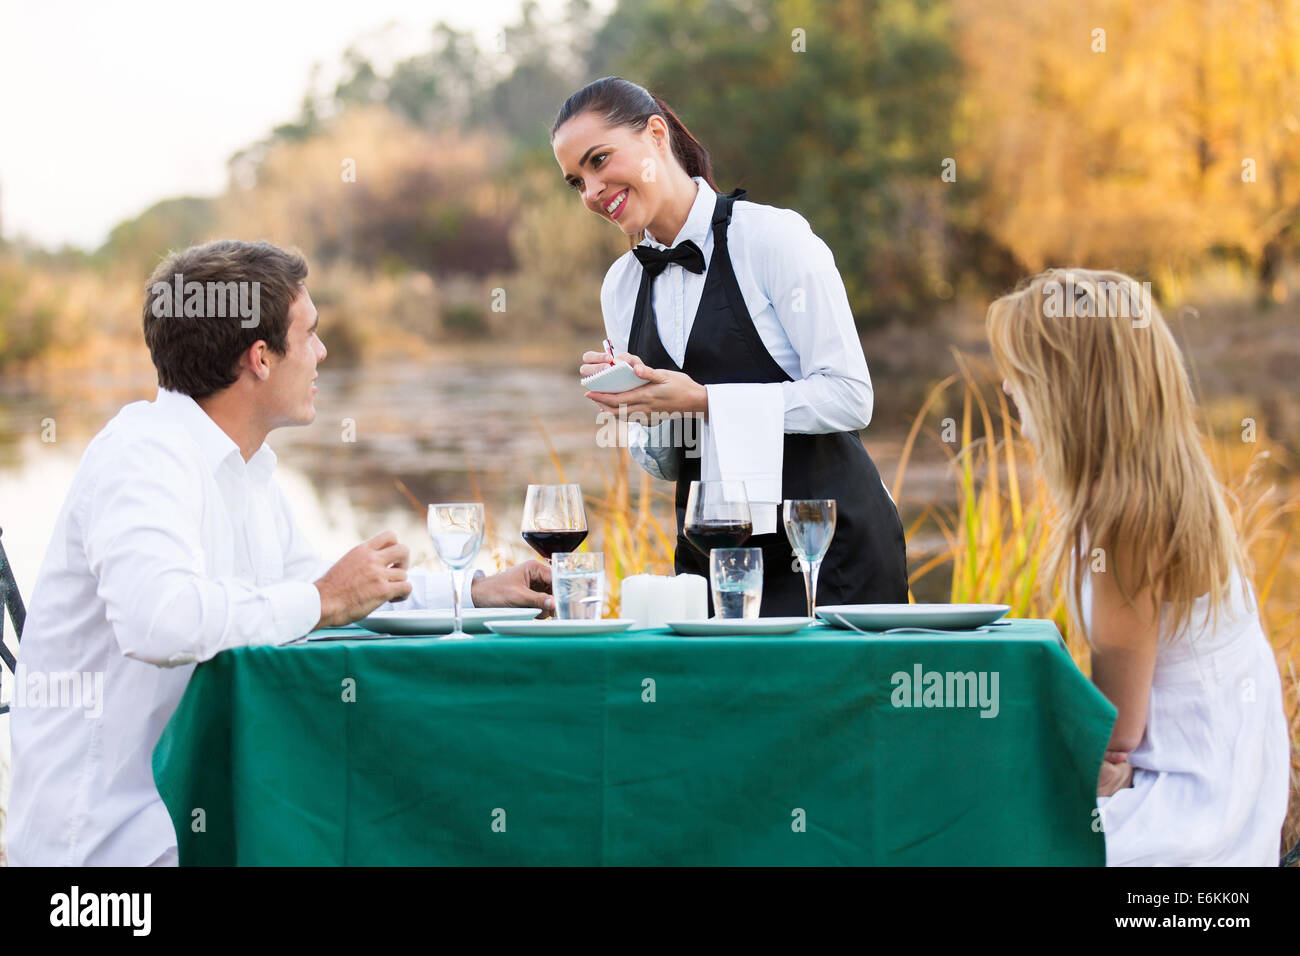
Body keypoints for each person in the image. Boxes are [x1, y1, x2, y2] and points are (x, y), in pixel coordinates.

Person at [7, 239, 552, 866]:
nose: (322, 353)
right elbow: (161, 621)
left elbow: (317, 590)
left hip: (193, 826)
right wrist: (323, 599)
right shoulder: (142, 456)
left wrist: (469, 592)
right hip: (104, 858)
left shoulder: (247, 465)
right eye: (311, 333)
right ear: (261, 358)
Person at [551, 77, 908, 616]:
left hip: (826, 553)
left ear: (654, 135)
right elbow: (673, 465)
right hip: (713, 560)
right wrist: (640, 406)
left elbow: (851, 397)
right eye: (576, 182)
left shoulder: (772, 239)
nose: (592, 191)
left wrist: (704, 399)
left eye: (600, 160)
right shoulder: (621, 285)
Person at [987, 268, 1290, 865]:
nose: (1006, 386)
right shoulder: (1167, 489)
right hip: (1225, 787)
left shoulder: (1123, 521)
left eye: (1019, 375)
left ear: (1066, 391)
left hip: (1187, 812)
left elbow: (1117, 730)